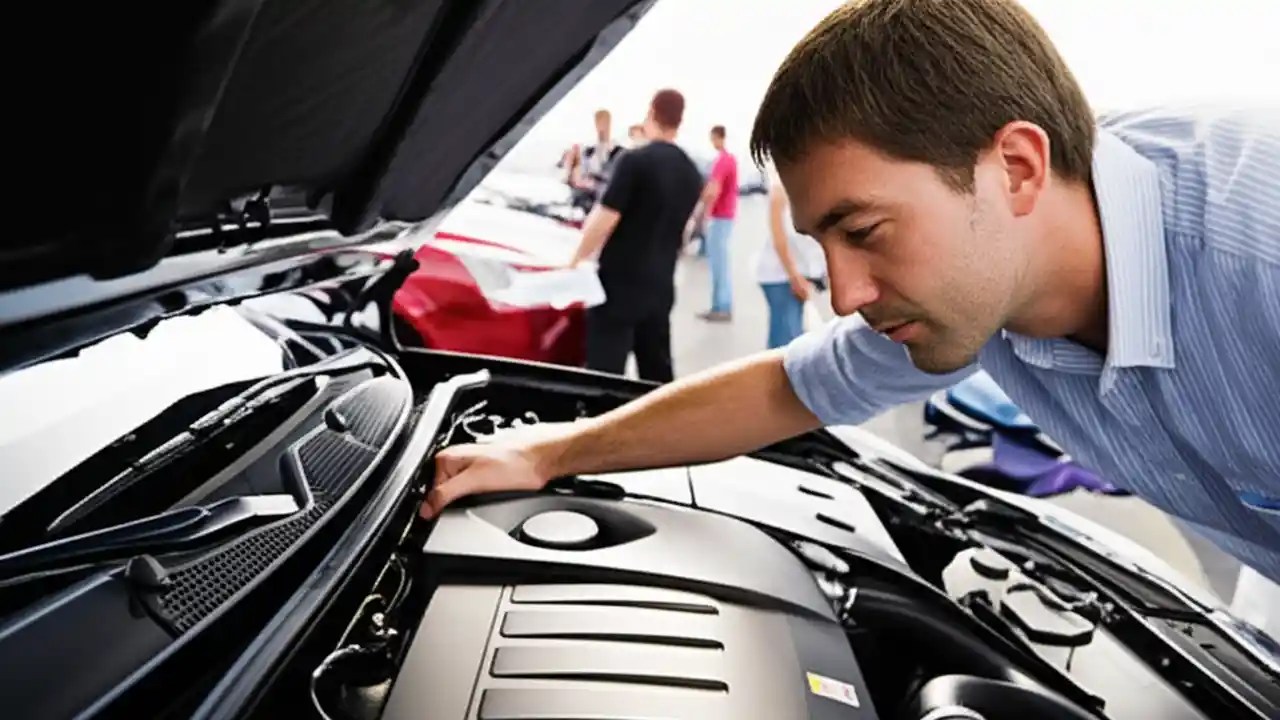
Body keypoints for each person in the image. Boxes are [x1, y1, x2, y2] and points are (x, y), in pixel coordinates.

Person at [420, 0, 1280, 608]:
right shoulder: (979, 275)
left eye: (864, 230)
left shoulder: (1260, 243)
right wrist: (549, 456)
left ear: (1015, 167)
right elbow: (789, 386)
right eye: (823, 248)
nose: (845, 294)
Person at [564, 89, 703, 382]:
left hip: (618, 288)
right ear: (679, 120)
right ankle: (663, 428)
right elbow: (684, 231)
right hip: (661, 287)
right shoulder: (691, 173)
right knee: (655, 378)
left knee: (603, 376)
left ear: (651, 112)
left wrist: (574, 262)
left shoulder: (634, 161)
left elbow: (604, 219)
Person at [758, 163, 827, 348]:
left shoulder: (812, 189)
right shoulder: (779, 192)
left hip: (798, 275)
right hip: (780, 276)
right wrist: (794, 276)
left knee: (792, 339)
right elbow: (779, 240)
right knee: (787, 345)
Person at [696, 125, 740, 321]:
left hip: (720, 216)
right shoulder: (730, 159)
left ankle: (721, 306)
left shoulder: (722, 160)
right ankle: (719, 305)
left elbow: (713, 189)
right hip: (726, 216)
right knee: (719, 263)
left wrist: (702, 213)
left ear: (717, 137)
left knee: (719, 265)